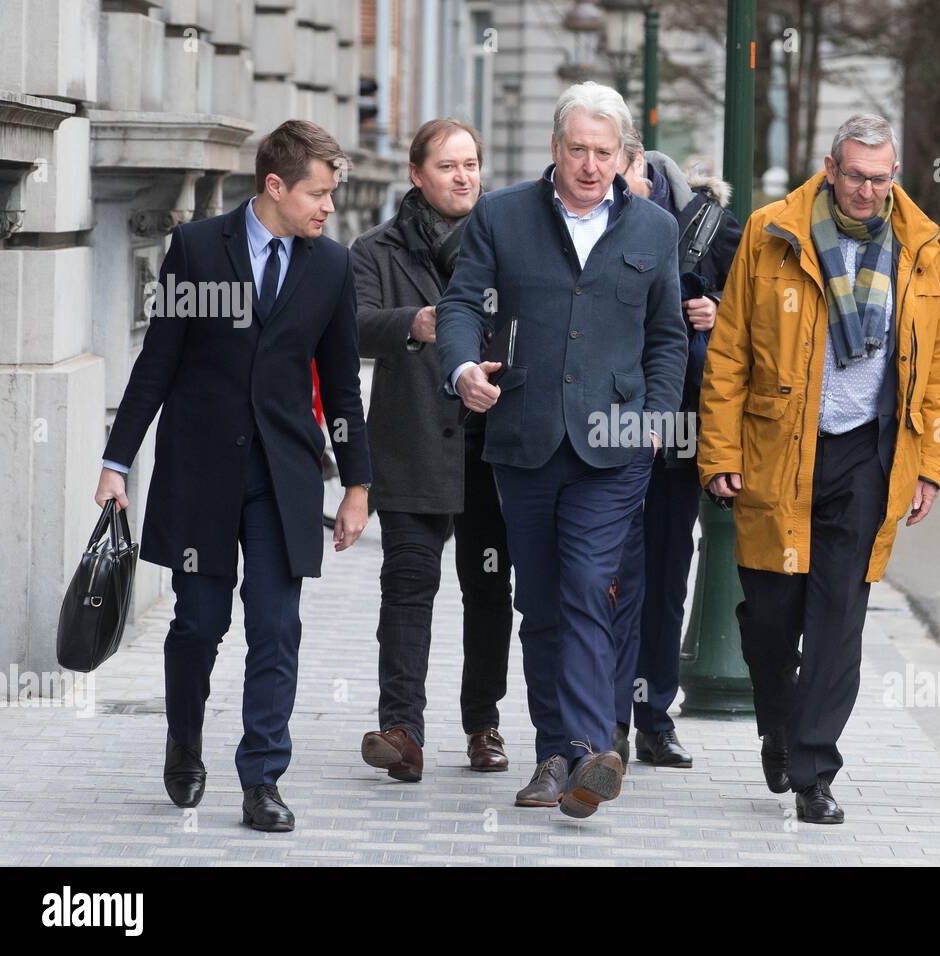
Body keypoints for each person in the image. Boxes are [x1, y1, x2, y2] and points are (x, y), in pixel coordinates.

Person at [94, 120, 372, 832]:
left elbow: (343, 387)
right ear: (274, 186)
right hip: (201, 473)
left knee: (277, 627)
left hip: (283, 479)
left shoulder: (332, 266)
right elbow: (157, 361)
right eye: (318, 192)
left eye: (331, 194)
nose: (327, 207)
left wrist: (358, 487)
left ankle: (262, 779)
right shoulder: (195, 247)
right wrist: (116, 462)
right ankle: (184, 742)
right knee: (198, 624)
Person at [436, 82, 687, 818]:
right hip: (525, 438)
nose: (588, 163)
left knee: (585, 586)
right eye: (576, 149)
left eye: (603, 152)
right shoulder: (503, 215)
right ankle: (557, 757)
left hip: (615, 446)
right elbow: (459, 304)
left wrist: (655, 415)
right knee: (540, 601)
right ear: (555, 148)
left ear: (623, 156)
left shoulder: (654, 230)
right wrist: (460, 369)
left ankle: (583, 748)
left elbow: (668, 336)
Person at [697, 113, 940, 824]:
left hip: (869, 455)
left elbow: (935, 368)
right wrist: (718, 452)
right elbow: (730, 353)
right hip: (779, 448)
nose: (870, 191)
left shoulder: (921, 244)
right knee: (773, 620)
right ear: (830, 167)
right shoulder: (772, 230)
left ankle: (814, 770)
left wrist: (929, 461)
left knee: (840, 619)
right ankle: (779, 728)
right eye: (857, 176)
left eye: (882, 177)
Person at [351, 118, 512, 784]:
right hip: (413, 439)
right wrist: (412, 325)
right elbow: (353, 329)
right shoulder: (376, 250)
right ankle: (403, 731)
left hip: (494, 450)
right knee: (409, 584)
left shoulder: (508, 244)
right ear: (416, 175)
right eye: (447, 165)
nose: (463, 176)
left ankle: (483, 725)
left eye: (471, 163)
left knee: (487, 589)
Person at [609, 129, 742, 770]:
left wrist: (718, 309)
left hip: (680, 435)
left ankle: (653, 716)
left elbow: (762, 317)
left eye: (615, 165)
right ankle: (605, 721)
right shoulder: (592, 222)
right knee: (608, 580)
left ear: (638, 163)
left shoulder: (713, 228)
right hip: (609, 429)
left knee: (663, 579)